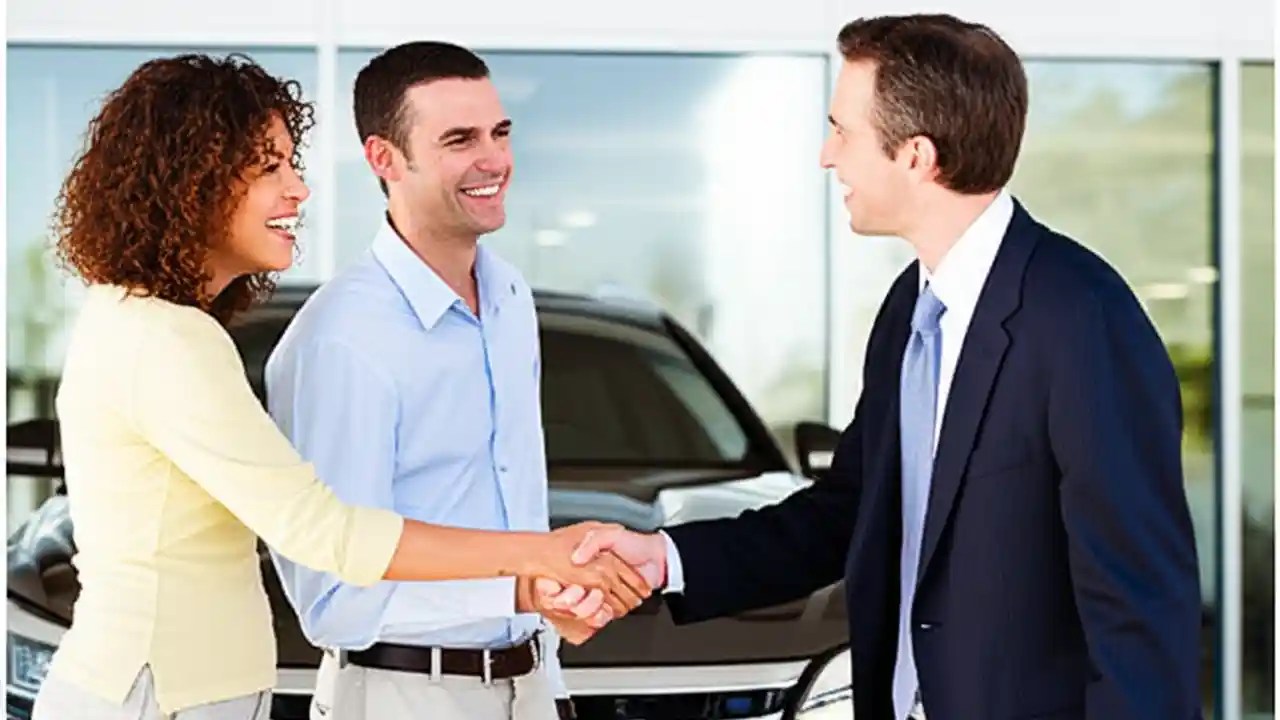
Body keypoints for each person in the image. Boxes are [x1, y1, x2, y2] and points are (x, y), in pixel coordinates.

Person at [568, 14, 1203, 720]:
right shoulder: (910, 305)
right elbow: (847, 514)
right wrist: (665, 558)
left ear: (916, 156)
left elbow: (1139, 610)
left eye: (843, 130)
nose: (826, 155)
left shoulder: (1082, 317)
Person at [31, 52, 648, 720]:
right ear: (191, 183)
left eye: (291, 164)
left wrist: (534, 595)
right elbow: (322, 533)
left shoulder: (144, 324)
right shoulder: (170, 340)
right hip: (159, 694)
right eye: (269, 168)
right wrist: (540, 559)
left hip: (178, 688)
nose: (299, 189)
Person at [264, 41, 596, 720]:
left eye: (500, 133)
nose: (494, 160)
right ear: (384, 158)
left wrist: (547, 680)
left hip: (530, 686)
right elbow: (335, 600)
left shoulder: (508, 296)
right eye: (460, 139)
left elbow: (519, 503)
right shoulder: (340, 340)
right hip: (401, 696)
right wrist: (520, 589)